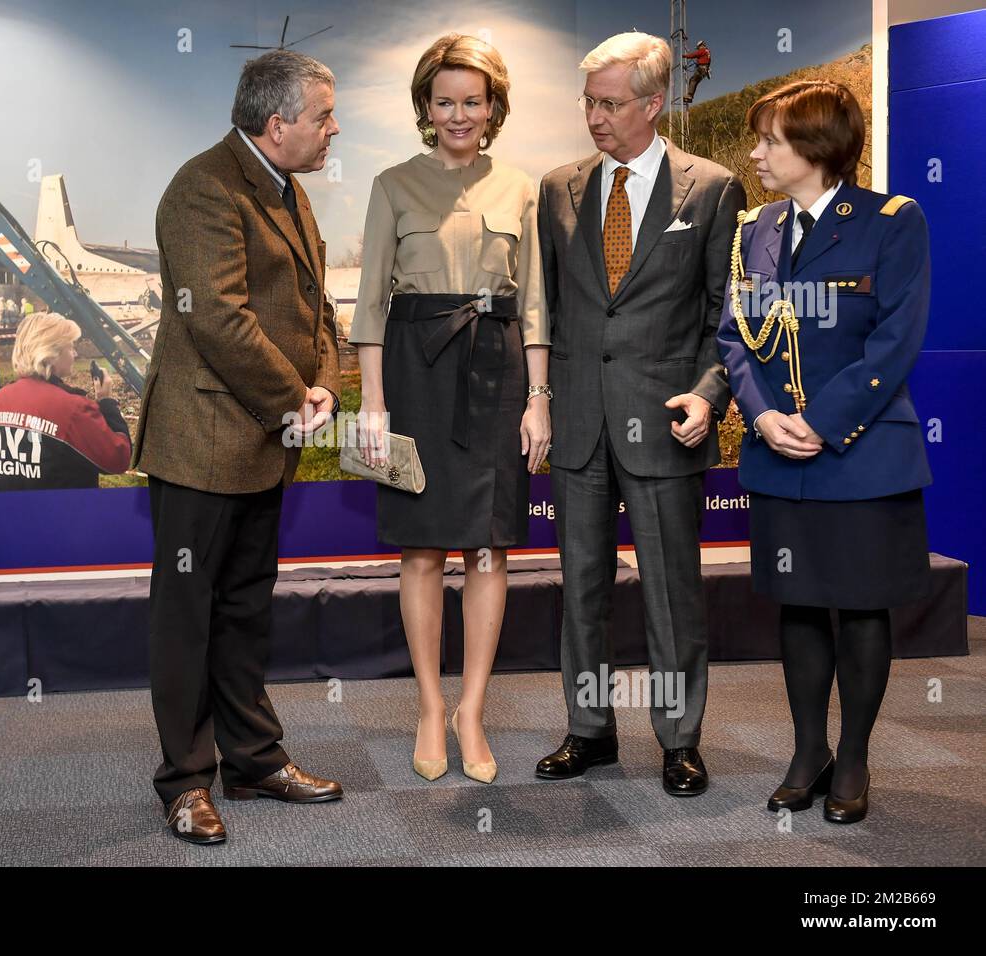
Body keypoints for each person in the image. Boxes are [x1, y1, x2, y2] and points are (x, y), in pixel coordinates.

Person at [130, 49, 344, 845]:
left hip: (263, 438)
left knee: (247, 611)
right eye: (323, 115)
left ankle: (253, 761)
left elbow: (313, 302)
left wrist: (323, 381)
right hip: (204, 444)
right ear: (277, 121)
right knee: (187, 618)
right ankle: (185, 782)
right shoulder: (202, 188)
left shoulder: (287, 189)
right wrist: (296, 397)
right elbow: (218, 319)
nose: (333, 129)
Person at [535, 32, 745, 796]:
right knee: (580, 589)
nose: (594, 116)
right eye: (588, 101)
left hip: (666, 421)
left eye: (610, 103)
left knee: (671, 592)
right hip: (581, 424)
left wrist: (711, 396)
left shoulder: (714, 188)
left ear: (653, 104)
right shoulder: (557, 187)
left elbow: (728, 318)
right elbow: (551, 311)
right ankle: (589, 731)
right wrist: (542, 402)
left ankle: (680, 740)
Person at [717, 80, 932, 824]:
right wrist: (763, 415)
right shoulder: (756, 231)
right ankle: (809, 753)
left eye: (770, 140)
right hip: (779, 449)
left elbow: (895, 340)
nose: (757, 153)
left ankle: (857, 757)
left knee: (862, 606)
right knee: (799, 605)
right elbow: (734, 337)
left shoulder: (892, 223)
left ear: (815, 145)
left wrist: (821, 420)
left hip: (862, 450)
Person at [349, 34, 550, 785]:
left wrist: (540, 400)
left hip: (496, 373)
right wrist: (371, 404)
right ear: (424, 108)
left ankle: (473, 709)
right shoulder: (391, 184)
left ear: (493, 107)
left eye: (473, 101)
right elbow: (371, 303)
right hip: (413, 375)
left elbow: (534, 304)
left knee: (490, 546)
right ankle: (430, 706)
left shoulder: (523, 188)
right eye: (445, 102)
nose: (458, 115)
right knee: (422, 548)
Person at [0, 312, 130, 490]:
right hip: (58, 515)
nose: (75, 354)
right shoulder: (73, 409)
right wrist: (107, 402)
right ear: (51, 353)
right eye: (70, 347)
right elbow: (118, 457)